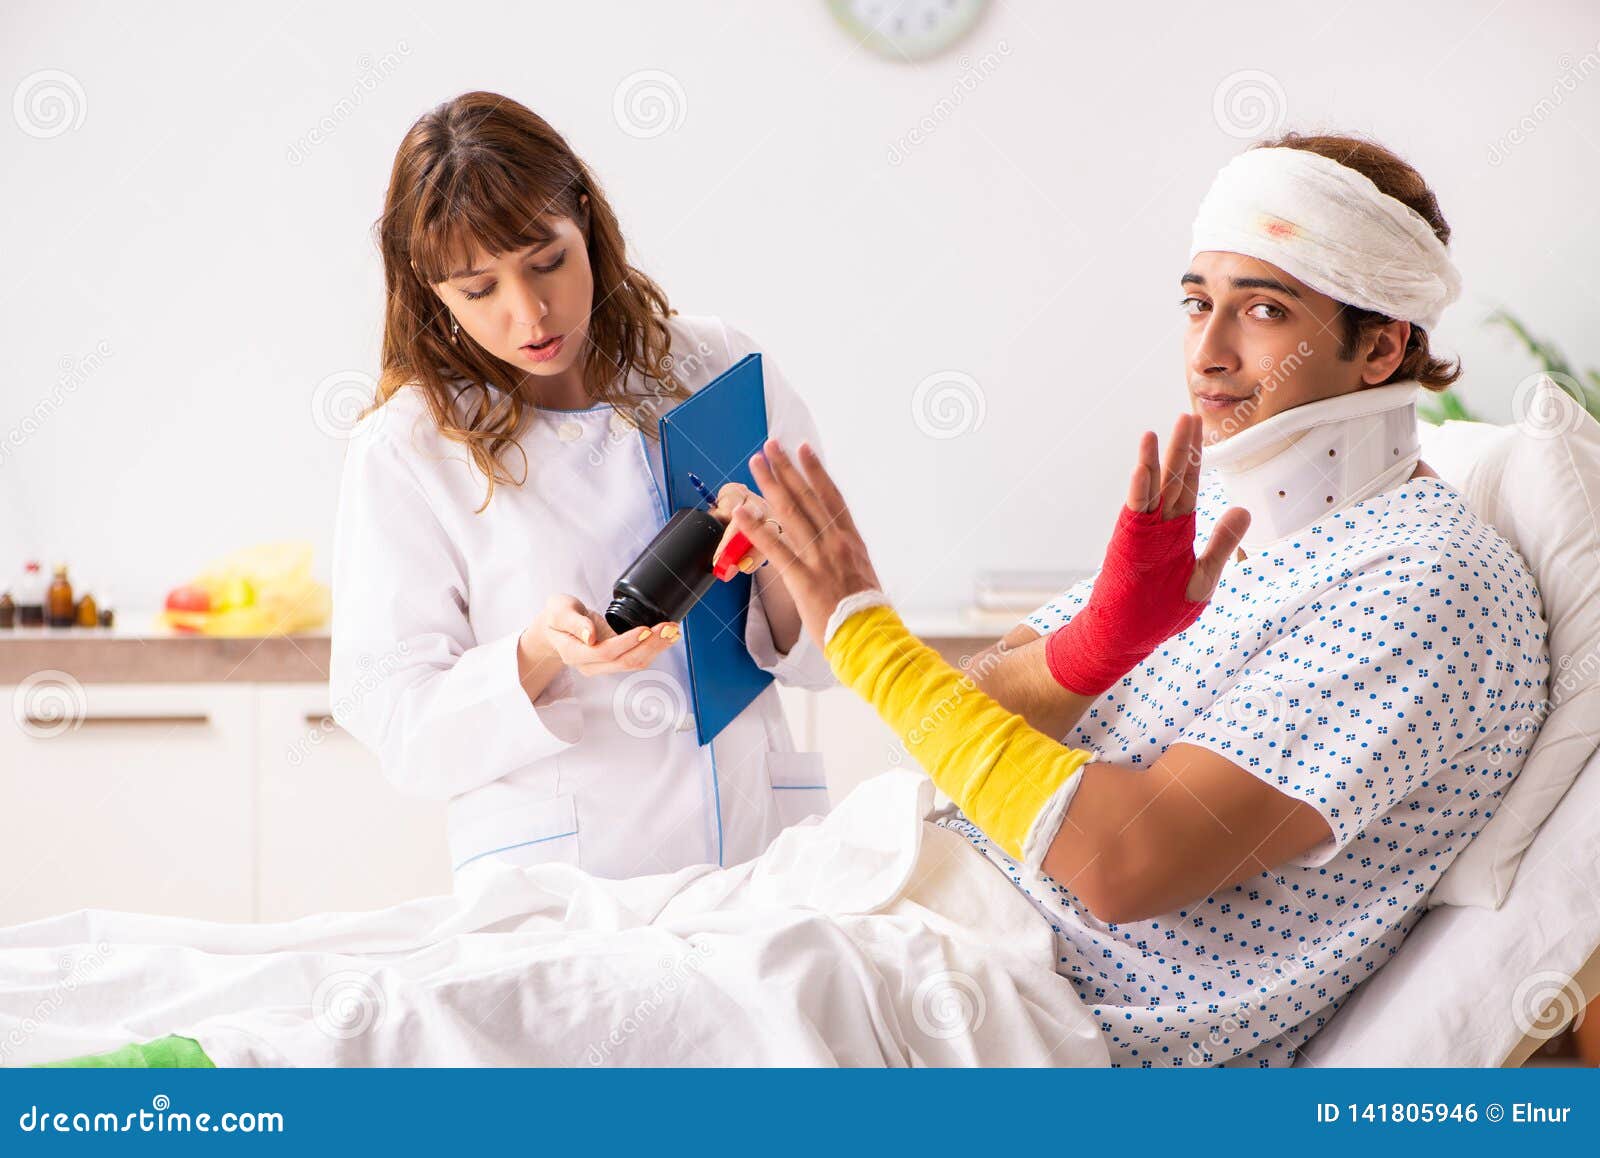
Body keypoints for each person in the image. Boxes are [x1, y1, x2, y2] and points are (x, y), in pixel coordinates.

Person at [725, 133, 1550, 1066]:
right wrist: (1096, 643)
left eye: (1264, 311)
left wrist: (865, 637)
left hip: (1014, 1010)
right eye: (1198, 304)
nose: (1208, 353)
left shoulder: (1426, 584)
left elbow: (1120, 865)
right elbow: (959, 730)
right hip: (900, 906)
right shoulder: (1220, 530)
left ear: (1382, 347)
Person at [329, 92, 835, 883]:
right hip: (565, 882)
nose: (529, 312)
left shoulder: (717, 366)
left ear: (588, 225)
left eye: (548, 261)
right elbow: (397, 720)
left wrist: (773, 553)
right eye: (478, 290)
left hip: (758, 850)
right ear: (433, 292)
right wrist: (534, 656)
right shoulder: (408, 448)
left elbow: (835, 637)